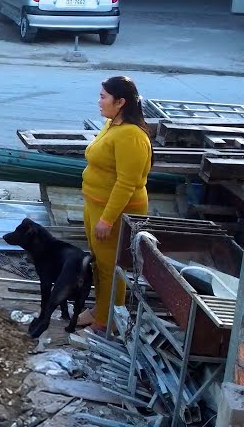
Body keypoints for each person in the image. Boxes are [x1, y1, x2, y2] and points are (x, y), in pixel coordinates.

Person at [77, 76, 151, 332]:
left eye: (103, 97)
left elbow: (126, 183)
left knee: (111, 268)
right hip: (95, 204)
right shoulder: (111, 125)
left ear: (120, 102)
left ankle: (107, 324)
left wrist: (107, 219)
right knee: (98, 262)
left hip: (116, 212)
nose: (99, 101)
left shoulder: (131, 136)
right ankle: (100, 308)